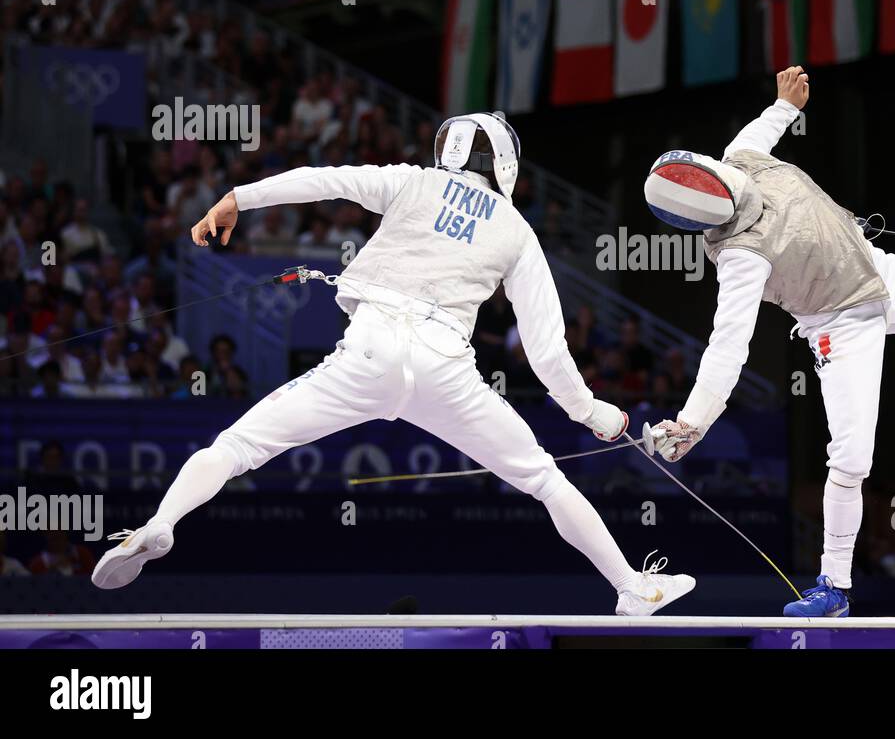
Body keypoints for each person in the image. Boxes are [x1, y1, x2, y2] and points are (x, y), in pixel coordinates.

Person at [92, 112, 693, 615]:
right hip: (446, 369)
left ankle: (161, 522)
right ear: (505, 164)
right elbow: (548, 352)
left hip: (368, 354)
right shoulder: (517, 231)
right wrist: (593, 413)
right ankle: (632, 589)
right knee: (543, 479)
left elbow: (323, 180)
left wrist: (235, 199)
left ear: (447, 149)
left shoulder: (410, 182)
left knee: (238, 445)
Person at [640, 67, 895, 617]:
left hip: (881, 273)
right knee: (852, 458)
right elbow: (728, 347)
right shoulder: (739, 256)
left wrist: (785, 105)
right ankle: (833, 586)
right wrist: (692, 422)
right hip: (838, 326)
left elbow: (763, 128)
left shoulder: (743, 157)